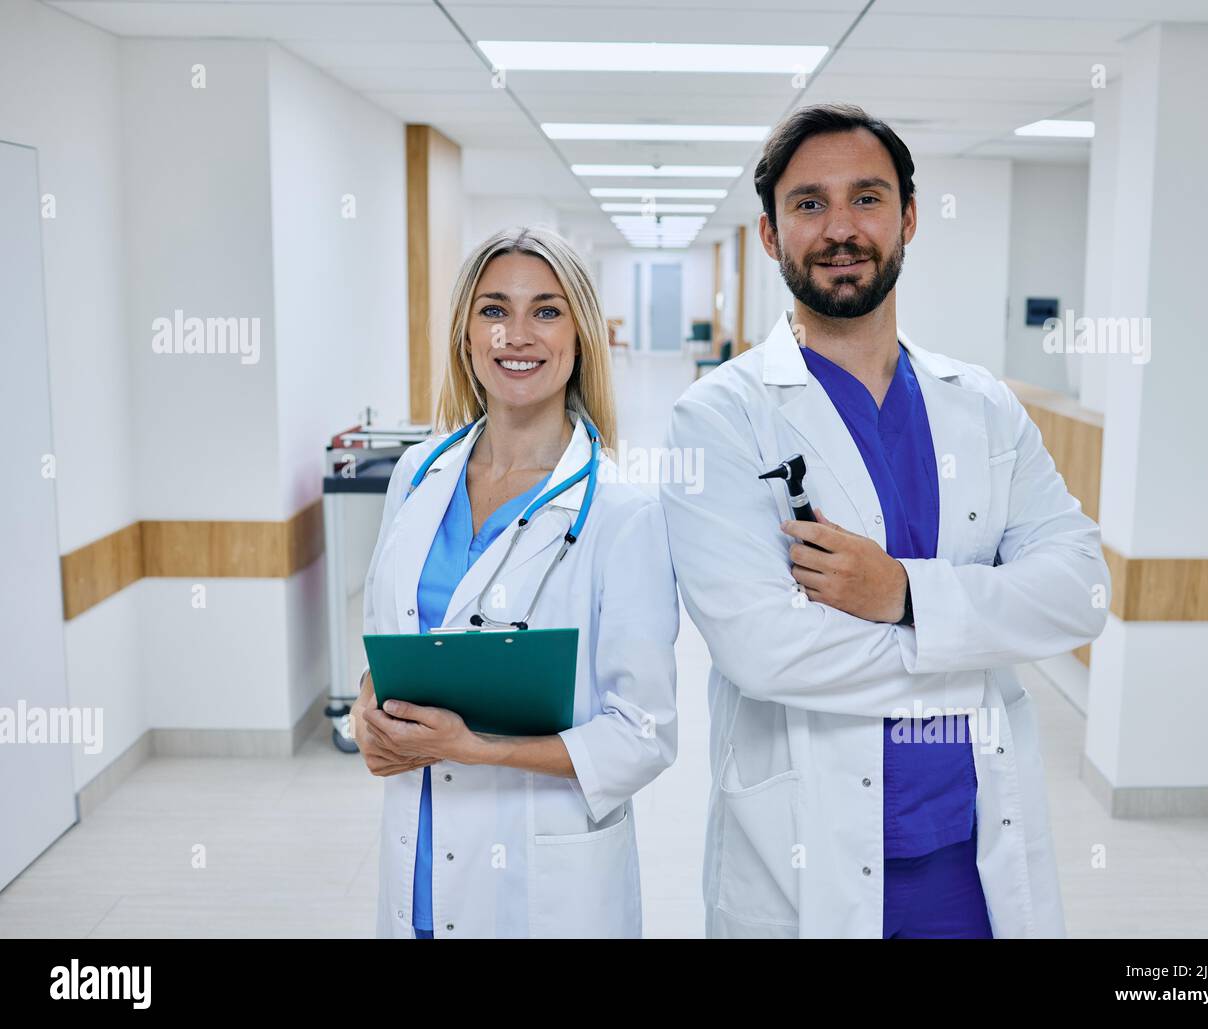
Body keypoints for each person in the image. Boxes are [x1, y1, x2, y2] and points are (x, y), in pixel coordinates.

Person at [660, 103, 1109, 938]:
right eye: (808, 204)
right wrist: (979, 634)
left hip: (974, 854)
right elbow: (764, 650)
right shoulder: (717, 418)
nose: (839, 228)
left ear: (907, 217)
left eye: (866, 198)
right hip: (802, 855)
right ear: (769, 234)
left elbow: (1080, 589)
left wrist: (900, 590)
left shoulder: (981, 406)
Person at [354, 226, 678, 938]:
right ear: (466, 335)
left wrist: (475, 748)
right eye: (494, 310)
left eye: (547, 310)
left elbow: (644, 735)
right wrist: (368, 710)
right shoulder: (416, 478)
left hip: (544, 887)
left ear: (581, 335)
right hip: (420, 864)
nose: (517, 334)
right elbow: (394, 642)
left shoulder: (622, 512)